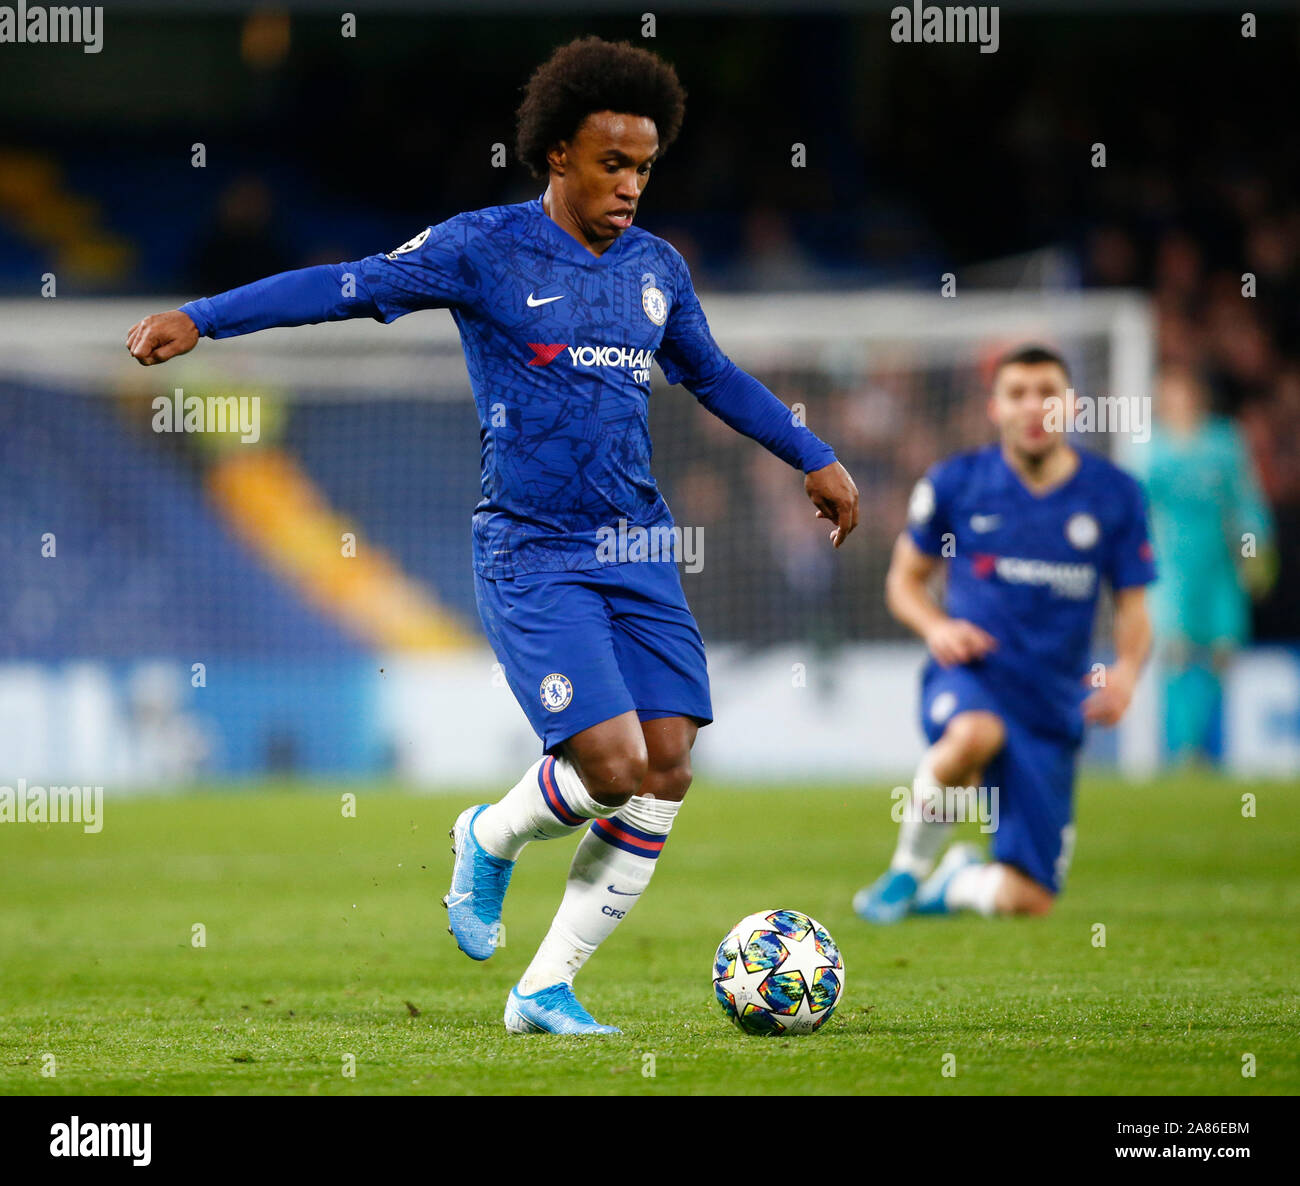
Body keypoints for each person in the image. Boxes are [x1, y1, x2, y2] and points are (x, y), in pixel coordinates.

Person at [126, 36, 859, 1033]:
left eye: (645, 166)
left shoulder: (656, 269)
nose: (632, 185)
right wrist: (203, 318)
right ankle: (489, 833)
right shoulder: (483, 248)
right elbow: (344, 285)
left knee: (668, 763)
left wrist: (810, 452)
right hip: (531, 549)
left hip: (637, 546)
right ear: (557, 153)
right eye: (613, 163)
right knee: (610, 767)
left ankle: (545, 986)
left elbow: (714, 376)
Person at [855, 345, 1152, 922]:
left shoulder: (1114, 495)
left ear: (1072, 406)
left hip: (1051, 702)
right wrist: (938, 627)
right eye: (1018, 393)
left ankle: (954, 884)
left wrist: (1128, 673)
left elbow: (1134, 604)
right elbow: (904, 582)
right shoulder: (957, 482)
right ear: (995, 407)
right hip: (973, 675)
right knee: (973, 735)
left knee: (1029, 900)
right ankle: (906, 870)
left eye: (1048, 393)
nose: (1033, 406)